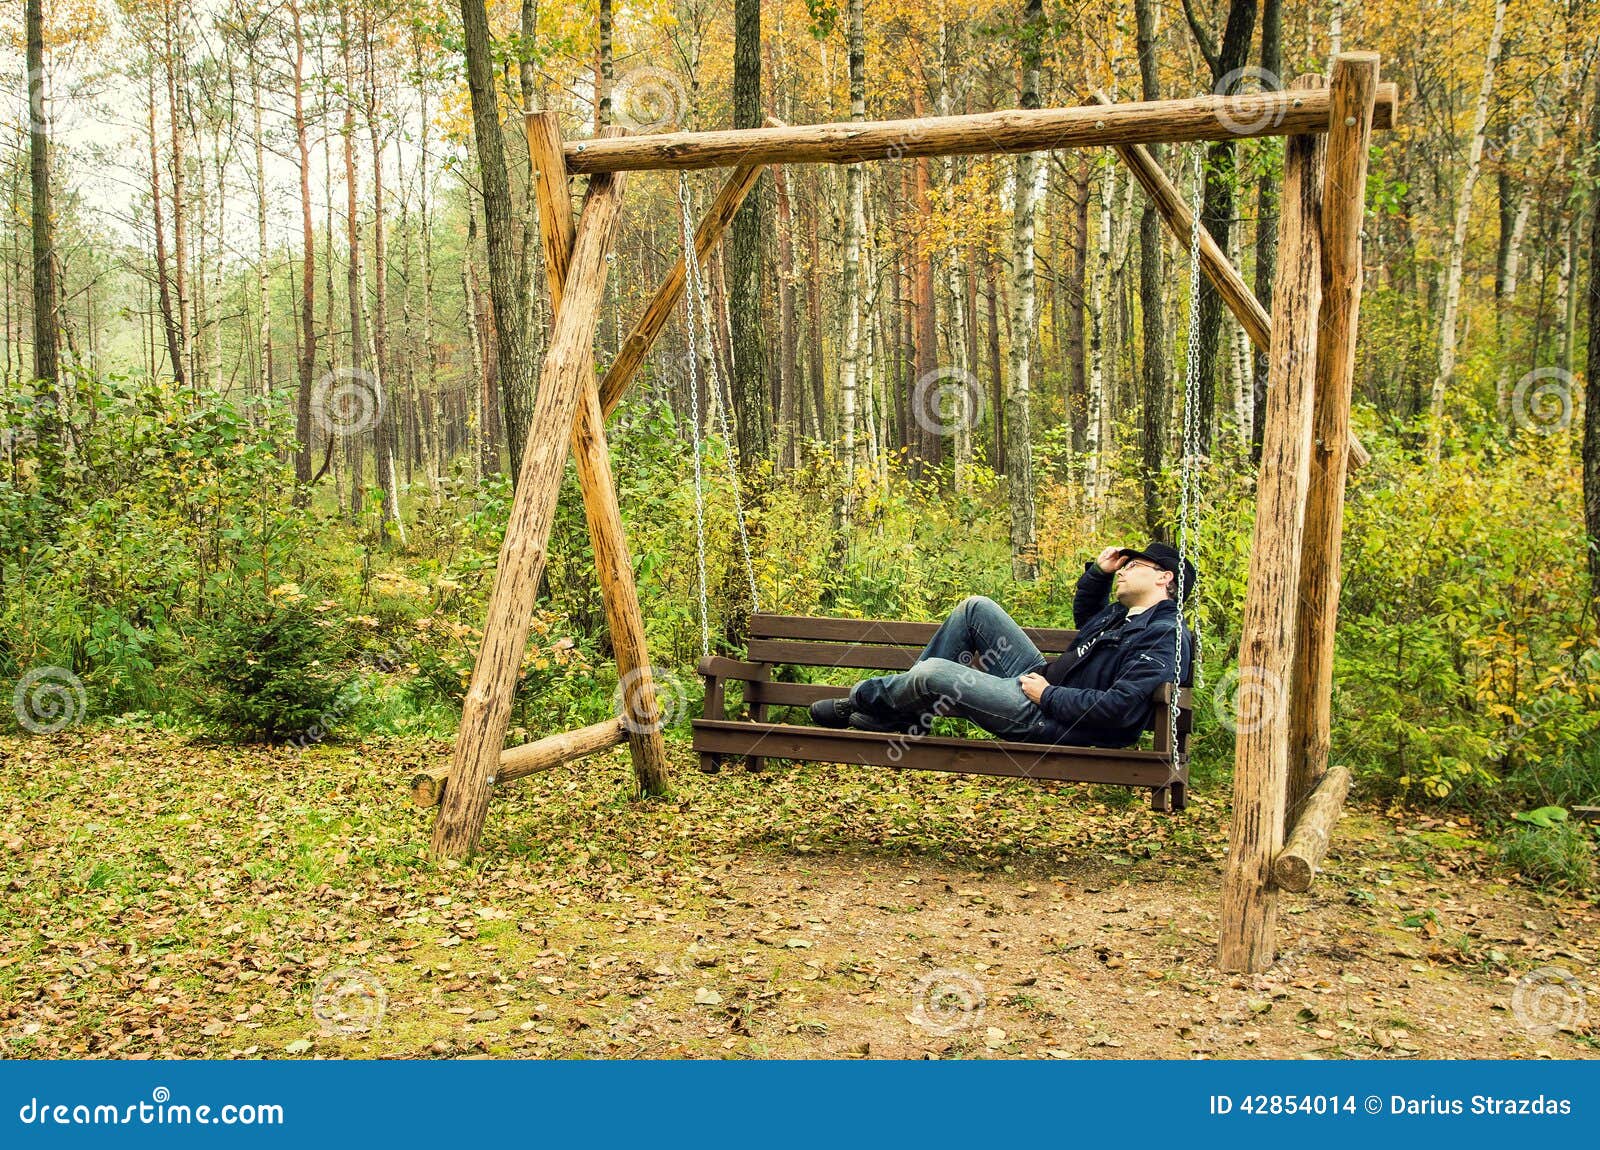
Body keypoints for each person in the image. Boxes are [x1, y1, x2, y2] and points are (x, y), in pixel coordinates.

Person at [808, 542, 1195, 748]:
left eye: (1134, 565)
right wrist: (1098, 572)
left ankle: (863, 700)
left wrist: (1049, 697)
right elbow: (1086, 614)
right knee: (976, 608)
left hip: (1049, 718)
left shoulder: (1165, 635)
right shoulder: (1119, 615)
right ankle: (906, 714)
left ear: (1165, 578)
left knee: (931, 673)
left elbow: (1122, 710)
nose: (1124, 569)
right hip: (1039, 683)